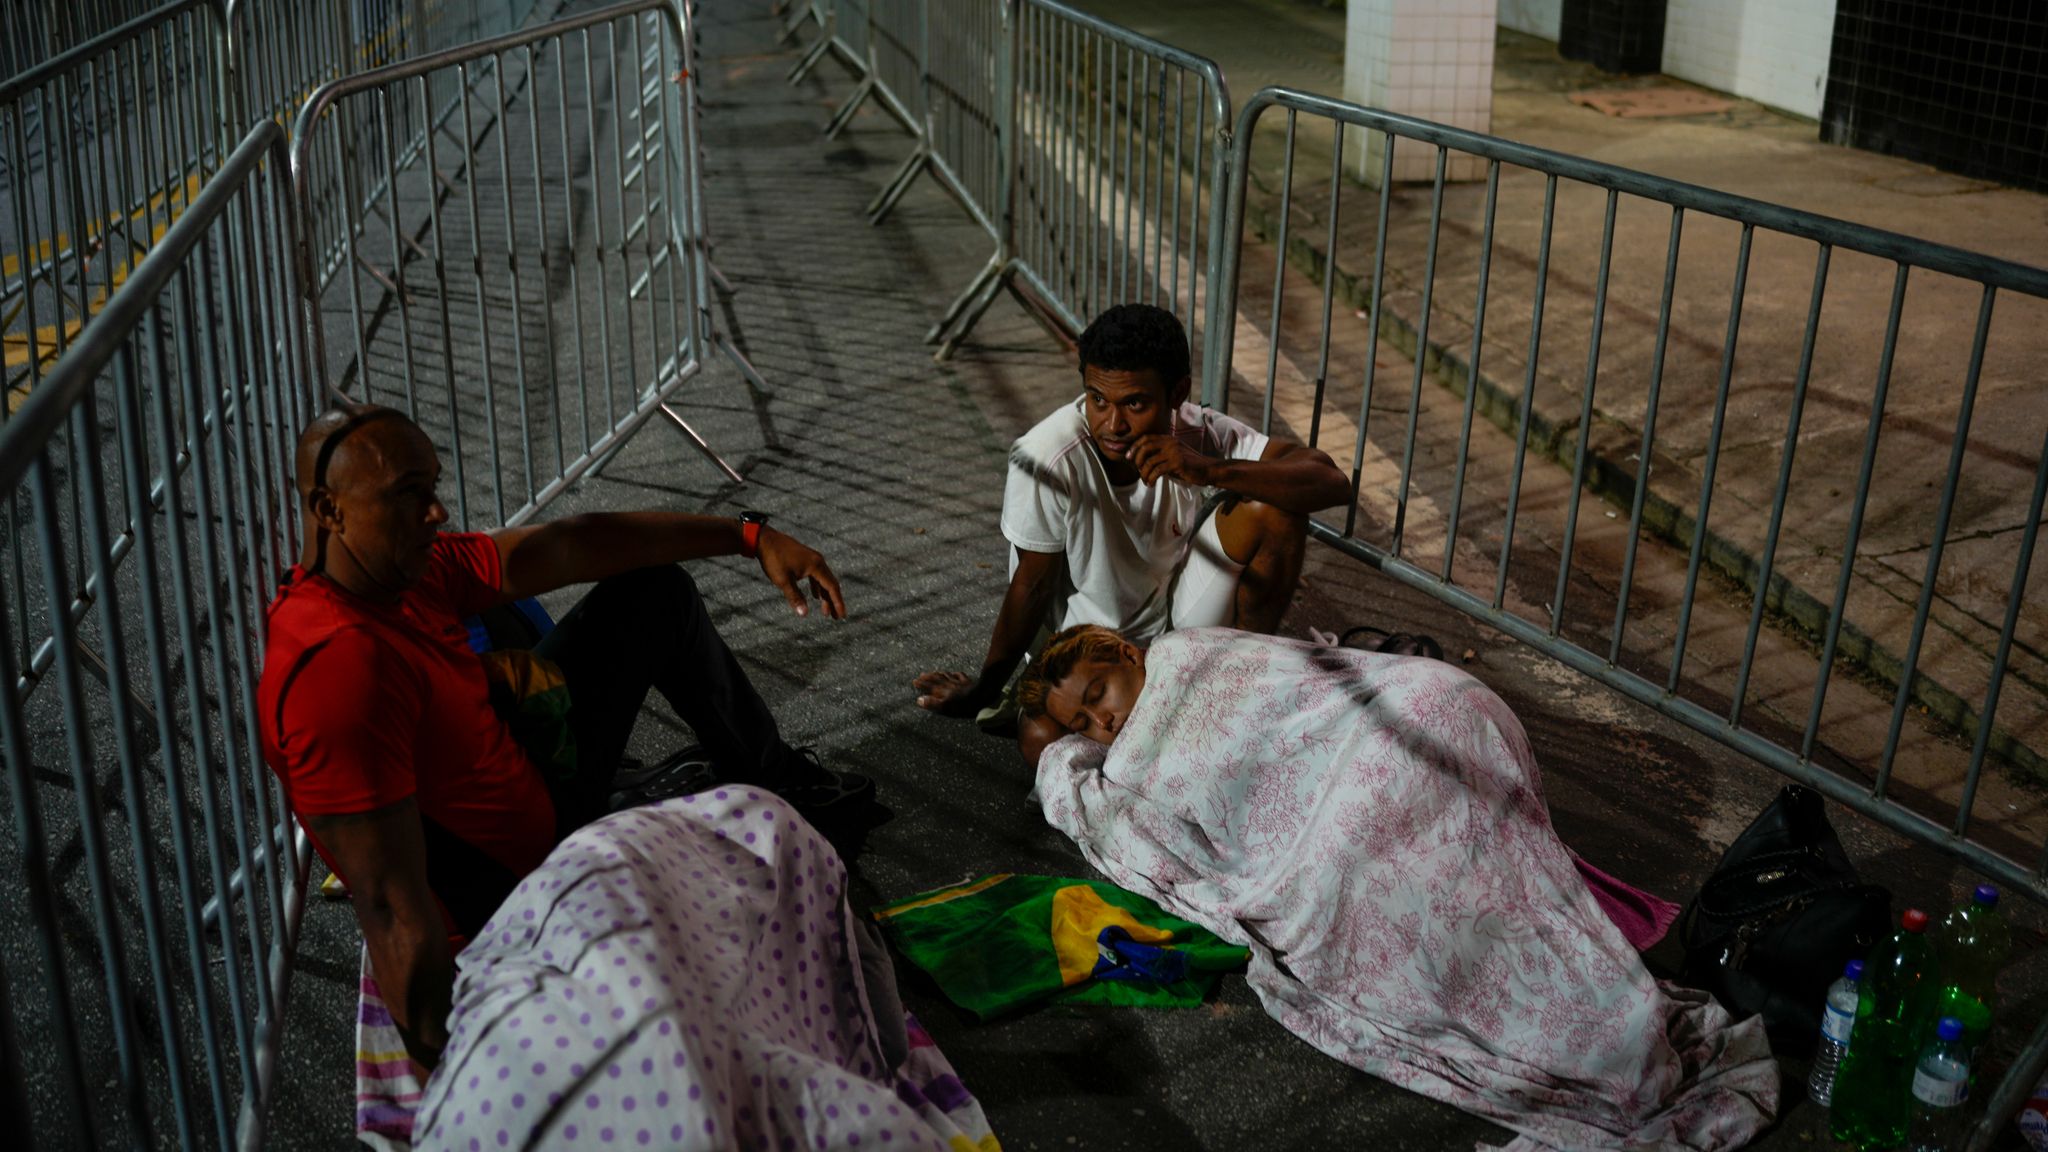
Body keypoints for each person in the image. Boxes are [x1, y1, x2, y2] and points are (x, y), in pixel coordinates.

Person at [257, 403, 867, 1071]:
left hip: (523, 771)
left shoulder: (398, 576)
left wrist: (748, 535)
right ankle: (729, 802)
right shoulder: (337, 674)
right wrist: (458, 1088)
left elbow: (570, 544)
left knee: (654, 594)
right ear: (328, 510)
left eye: (432, 487)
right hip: (521, 888)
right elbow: (391, 910)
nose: (436, 513)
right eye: (409, 495)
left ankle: (777, 777)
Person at [1018, 624, 1780, 1149]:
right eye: (1085, 720)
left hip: (1419, 711)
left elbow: (1286, 706)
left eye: (1102, 690)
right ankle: (1600, 1017)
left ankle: (1601, 1023)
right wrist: (1062, 749)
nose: (1106, 719)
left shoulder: (1192, 653)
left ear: (1126, 650)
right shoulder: (1130, 748)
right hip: (1403, 742)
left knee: (1384, 884)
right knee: (1437, 882)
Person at [912, 303, 1352, 761]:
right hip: (1090, 651)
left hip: (1175, 627)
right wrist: (984, 689)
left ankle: (1245, 684)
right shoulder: (1048, 456)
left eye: (1135, 404)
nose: (1113, 424)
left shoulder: (1197, 434)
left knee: (1271, 507)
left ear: (1176, 393)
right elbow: (1032, 585)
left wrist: (1211, 470)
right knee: (1041, 743)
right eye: (1097, 399)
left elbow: (1331, 482)